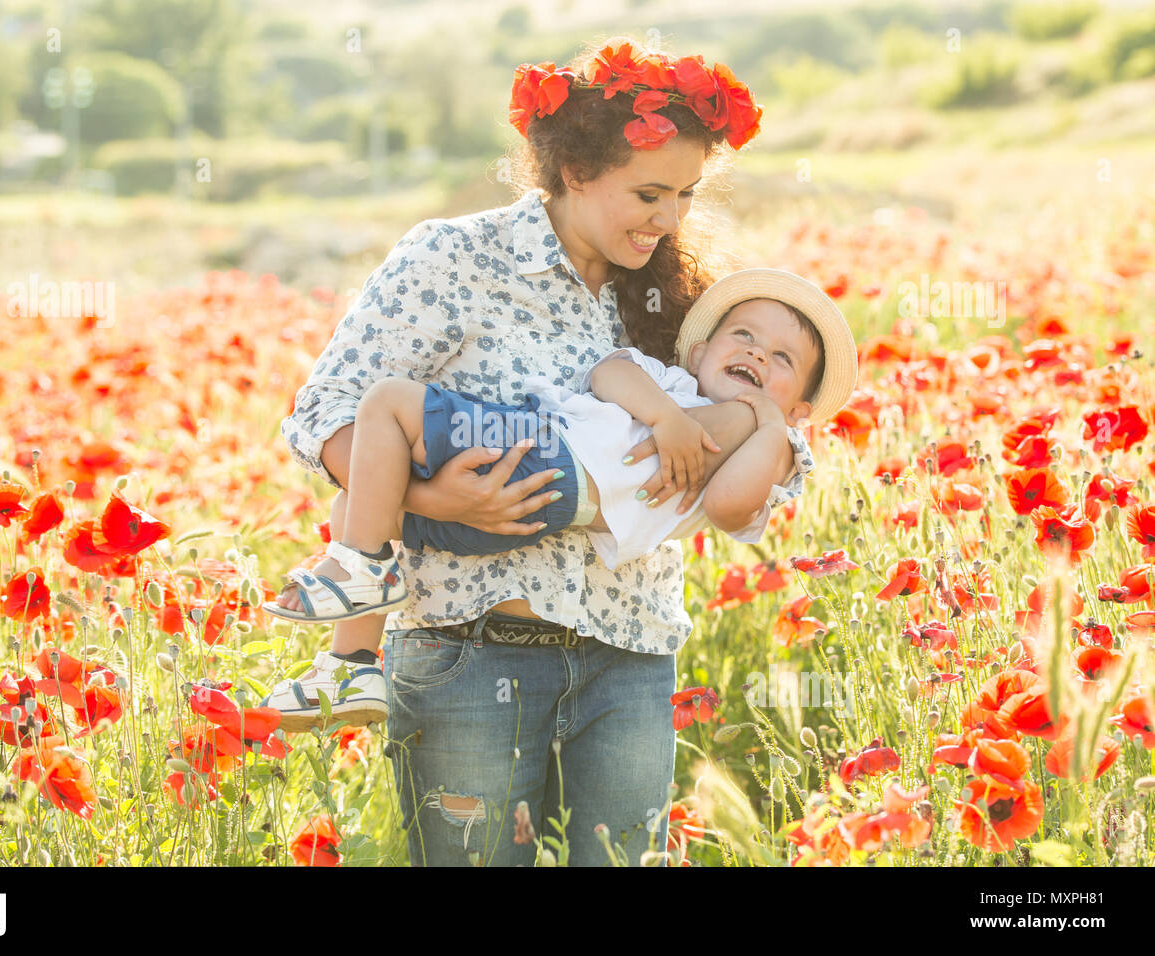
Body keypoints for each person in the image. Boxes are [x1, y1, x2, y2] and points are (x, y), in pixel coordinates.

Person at [276, 40, 853, 866]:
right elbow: (326, 415)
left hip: (630, 655)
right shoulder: (454, 259)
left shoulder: (676, 301)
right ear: (576, 168)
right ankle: (349, 651)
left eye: (686, 195)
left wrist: (759, 431)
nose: (670, 220)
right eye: (649, 193)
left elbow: (738, 470)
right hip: (470, 652)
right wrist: (439, 502)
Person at [263, 268, 856, 737]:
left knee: (389, 402)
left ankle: (361, 569)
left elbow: (728, 507)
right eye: (745, 337)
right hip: (537, 491)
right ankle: (354, 666)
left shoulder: (776, 445)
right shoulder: (669, 386)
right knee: (357, 506)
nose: (758, 356)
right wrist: (665, 415)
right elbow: (608, 372)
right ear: (698, 354)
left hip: (549, 460)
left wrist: (769, 422)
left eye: (783, 360)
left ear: (802, 408)